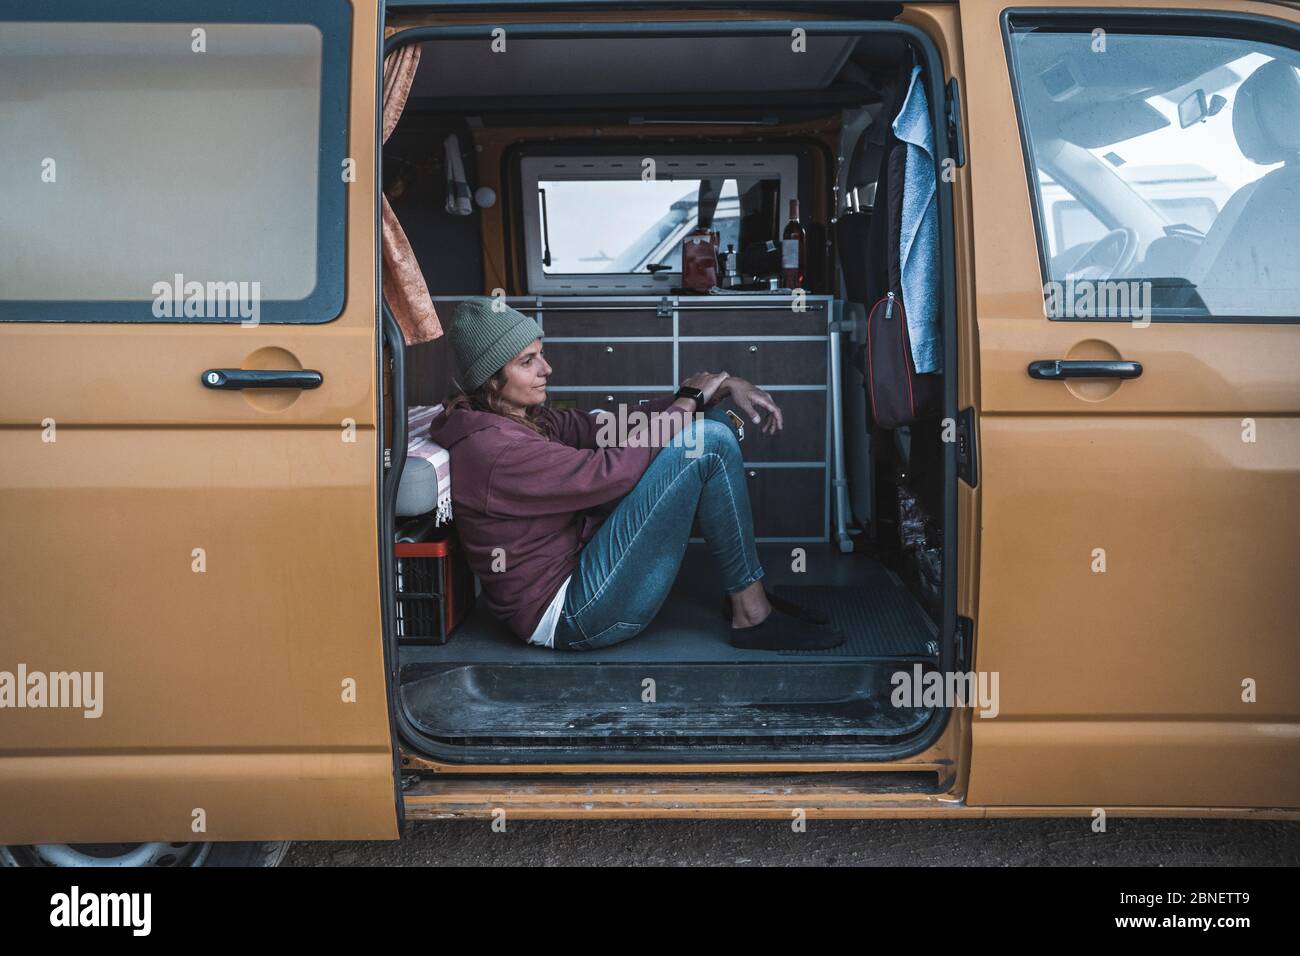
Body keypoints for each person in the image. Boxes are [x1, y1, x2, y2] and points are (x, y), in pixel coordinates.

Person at [428, 297, 843, 652]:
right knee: (708, 440)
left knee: (706, 421)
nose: (547, 369)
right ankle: (752, 614)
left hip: (581, 569)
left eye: (541, 353)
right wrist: (685, 406)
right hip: (572, 615)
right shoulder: (493, 448)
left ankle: (746, 596)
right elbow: (609, 474)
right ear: (490, 379)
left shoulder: (518, 417)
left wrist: (709, 392)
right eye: (527, 361)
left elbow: (606, 427)